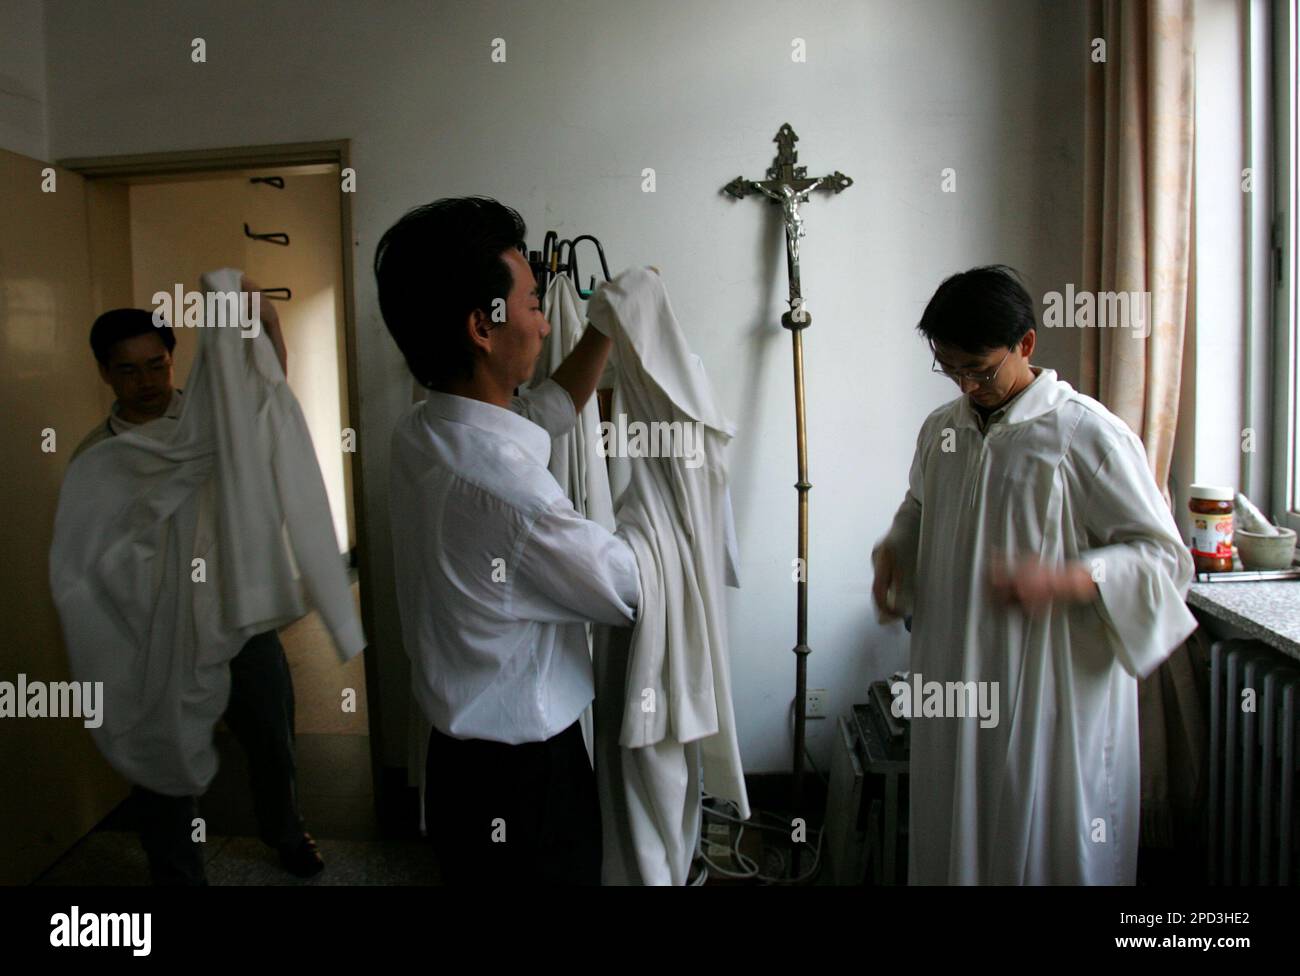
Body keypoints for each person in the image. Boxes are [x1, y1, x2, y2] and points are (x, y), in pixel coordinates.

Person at [871, 265, 1197, 885]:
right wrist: (897, 548)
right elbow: (918, 508)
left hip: (1053, 693)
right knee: (955, 835)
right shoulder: (942, 431)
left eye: (980, 368)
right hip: (955, 683)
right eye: (951, 368)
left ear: (1025, 345)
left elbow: (1162, 559)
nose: (967, 384)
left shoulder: (1087, 436)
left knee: (1045, 844)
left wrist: (1071, 579)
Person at [378, 197, 639, 884]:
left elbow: (542, 411)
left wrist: (602, 329)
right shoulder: (509, 495)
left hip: (461, 762)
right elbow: (627, 585)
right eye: (533, 303)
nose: (547, 319)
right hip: (524, 780)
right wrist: (681, 500)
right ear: (482, 326)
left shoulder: (424, 430)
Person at [70, 289, 323, 884]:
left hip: (240, 624)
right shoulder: (95, 461)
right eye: (128, 370)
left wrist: (268, 320)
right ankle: (177, 872)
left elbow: (271, 396)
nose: (146, 381)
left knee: (271, 745)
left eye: (156, 364)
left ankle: (286, 833)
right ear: (105, 373)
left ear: (171, 359)